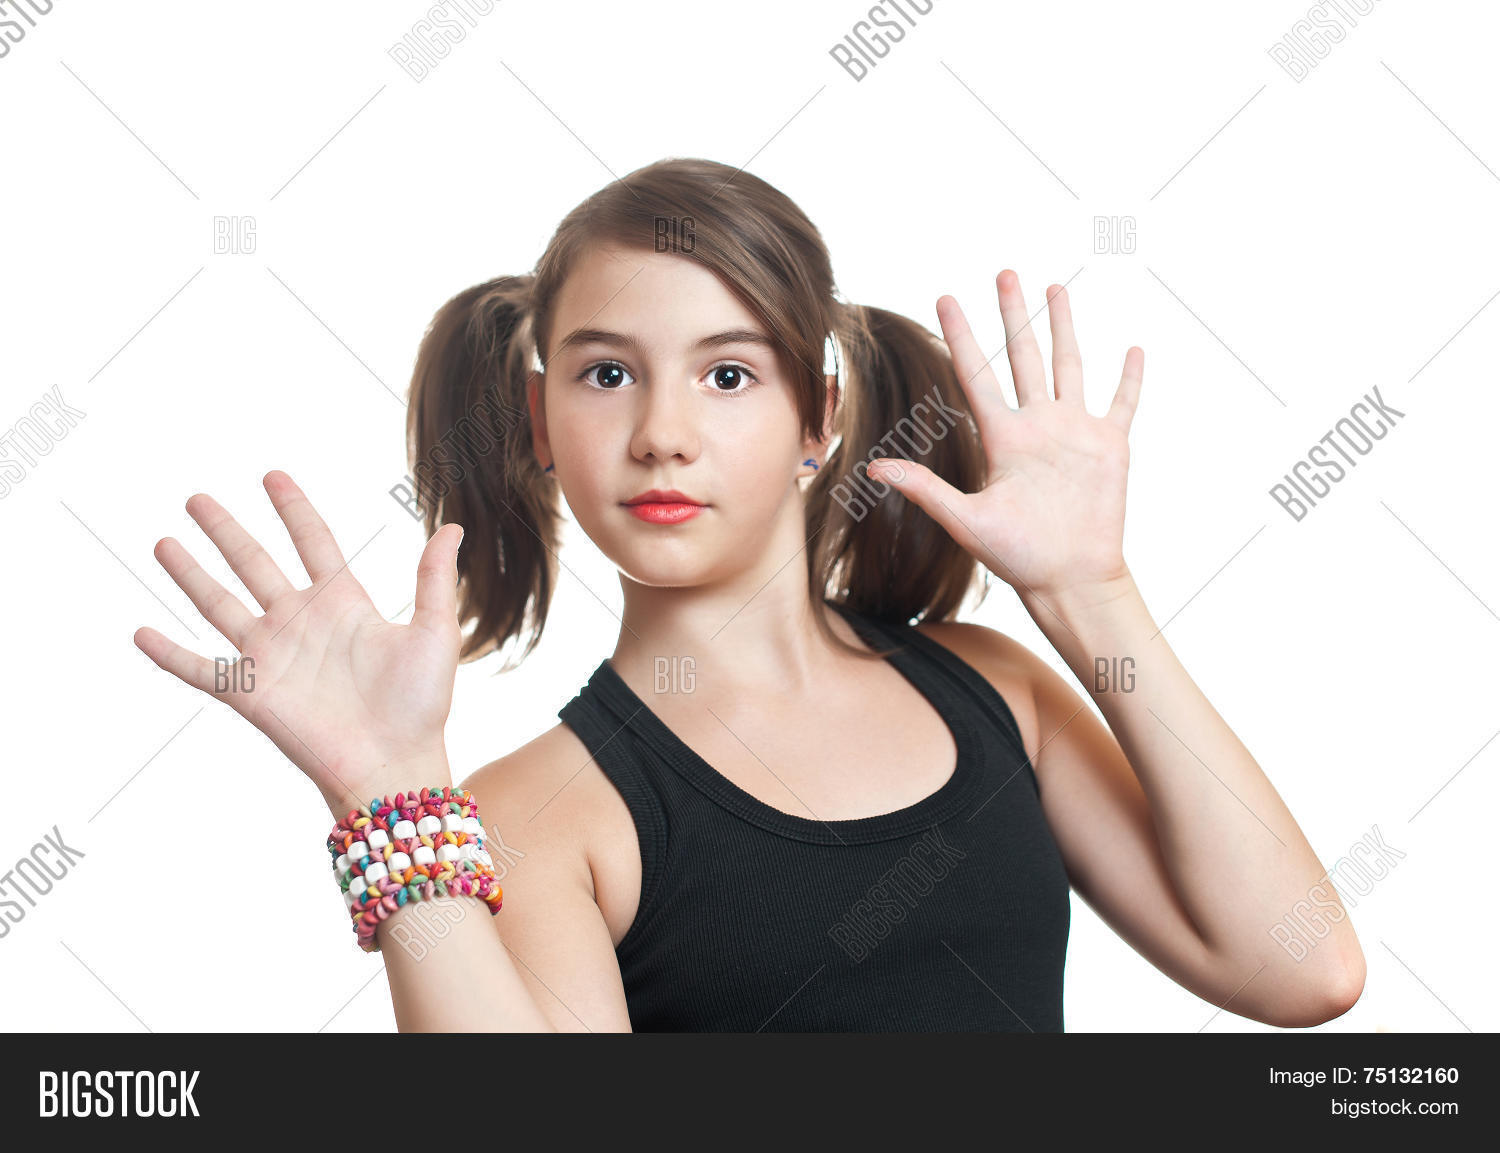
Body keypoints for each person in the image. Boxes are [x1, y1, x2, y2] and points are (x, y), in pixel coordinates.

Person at [133, 157, 1365, 1032]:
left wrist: (1093, 591)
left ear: (819, 417)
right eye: (608, 372)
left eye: (728, 374)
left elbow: (1302, 972)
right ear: (538, 421)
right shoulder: (535, 818)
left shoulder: (997, 693)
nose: (663, 433)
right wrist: (387, 793)